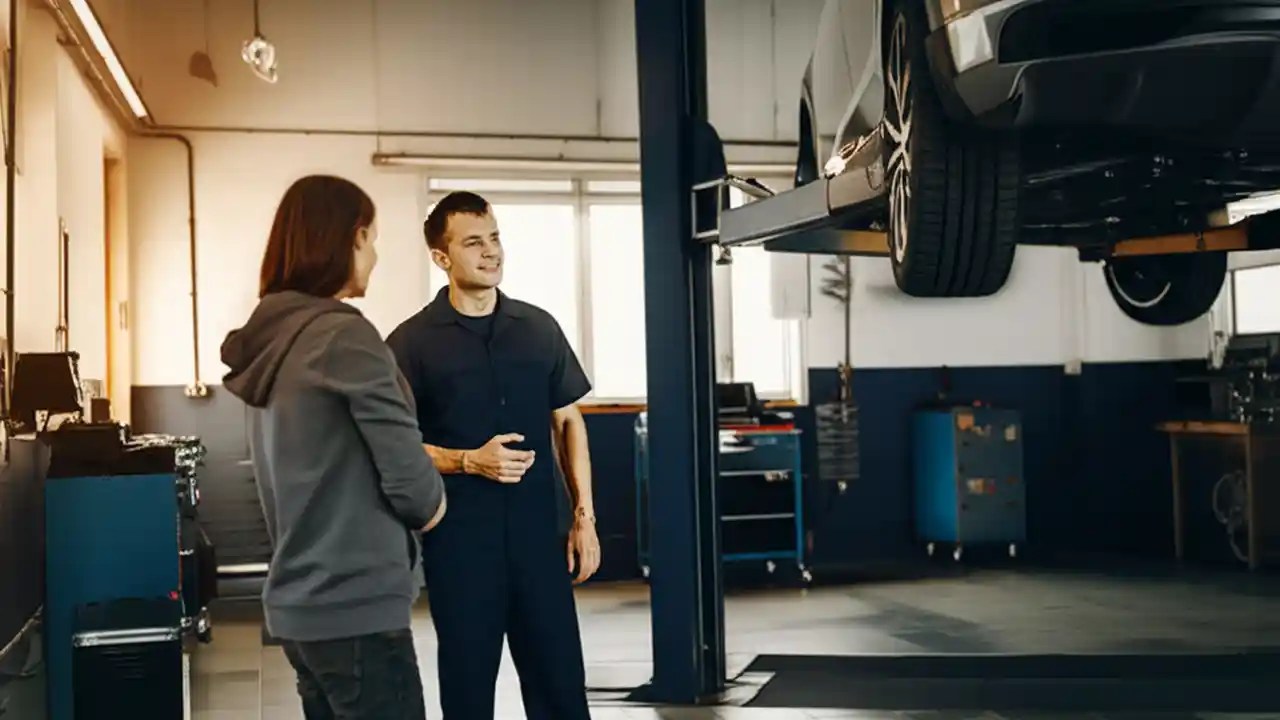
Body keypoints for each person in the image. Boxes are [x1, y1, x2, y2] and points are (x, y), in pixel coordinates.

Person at [221, 174, 446, 720]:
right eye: (370, 237)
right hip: (358, 607)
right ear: (346, 239)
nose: (375, 253)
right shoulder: (344, 336)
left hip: (301, 607)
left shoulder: (271, 338)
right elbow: (409, 479)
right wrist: (435, 507)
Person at [386, 191, 600, 720]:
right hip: (460, 544)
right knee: (467, 689)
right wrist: (466, 461)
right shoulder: (410, 344)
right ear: (442, 258)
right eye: (474, 242)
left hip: (539, 539)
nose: (491, 252)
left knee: (561, 687)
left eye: (496, 238)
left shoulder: (538, 327)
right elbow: (393, 446)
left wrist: (584, 518)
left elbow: (568, 419)